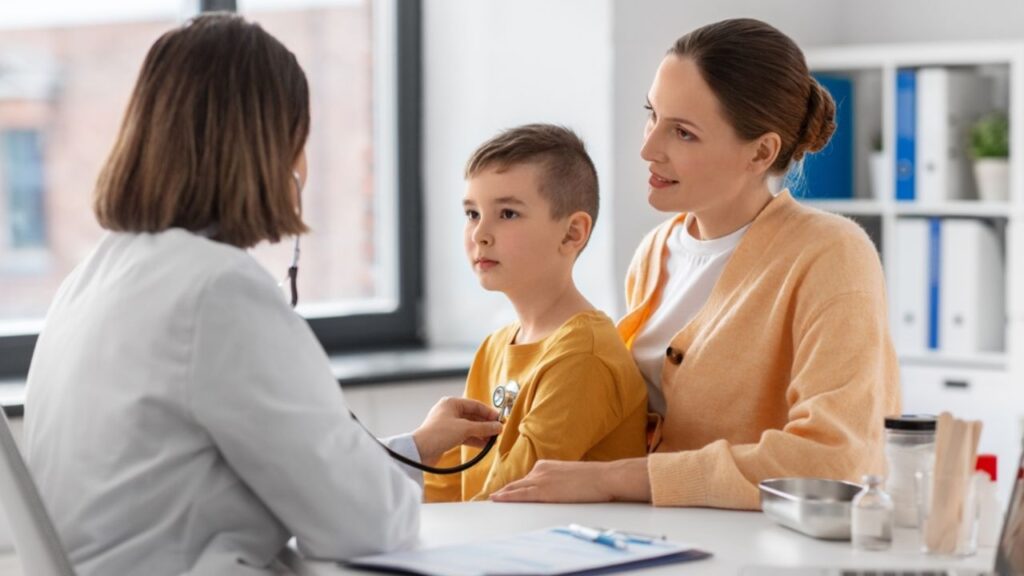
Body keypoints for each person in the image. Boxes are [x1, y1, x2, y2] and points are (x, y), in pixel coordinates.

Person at [22, 13, 501, 576]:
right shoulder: (216, 291)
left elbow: (207, 479)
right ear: (271, 150)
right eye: (300, 141)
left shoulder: (91, 280)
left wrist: (414, 448)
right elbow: (369, 524)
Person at [491, 18, 900, 509]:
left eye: (682, 133)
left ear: (761, 152)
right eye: (652, 115)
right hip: (650, 538)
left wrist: (615, 478)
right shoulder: (654, 253)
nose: (648, 148)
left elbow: (833, 460)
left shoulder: (831, 255)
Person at [423, 124, 648, 501]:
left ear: (572, 233)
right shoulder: (494, 347)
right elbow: (447, 486)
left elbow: (511, 496)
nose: (480, 234)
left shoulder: (583, 356)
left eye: (507, 214)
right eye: (472, 213)